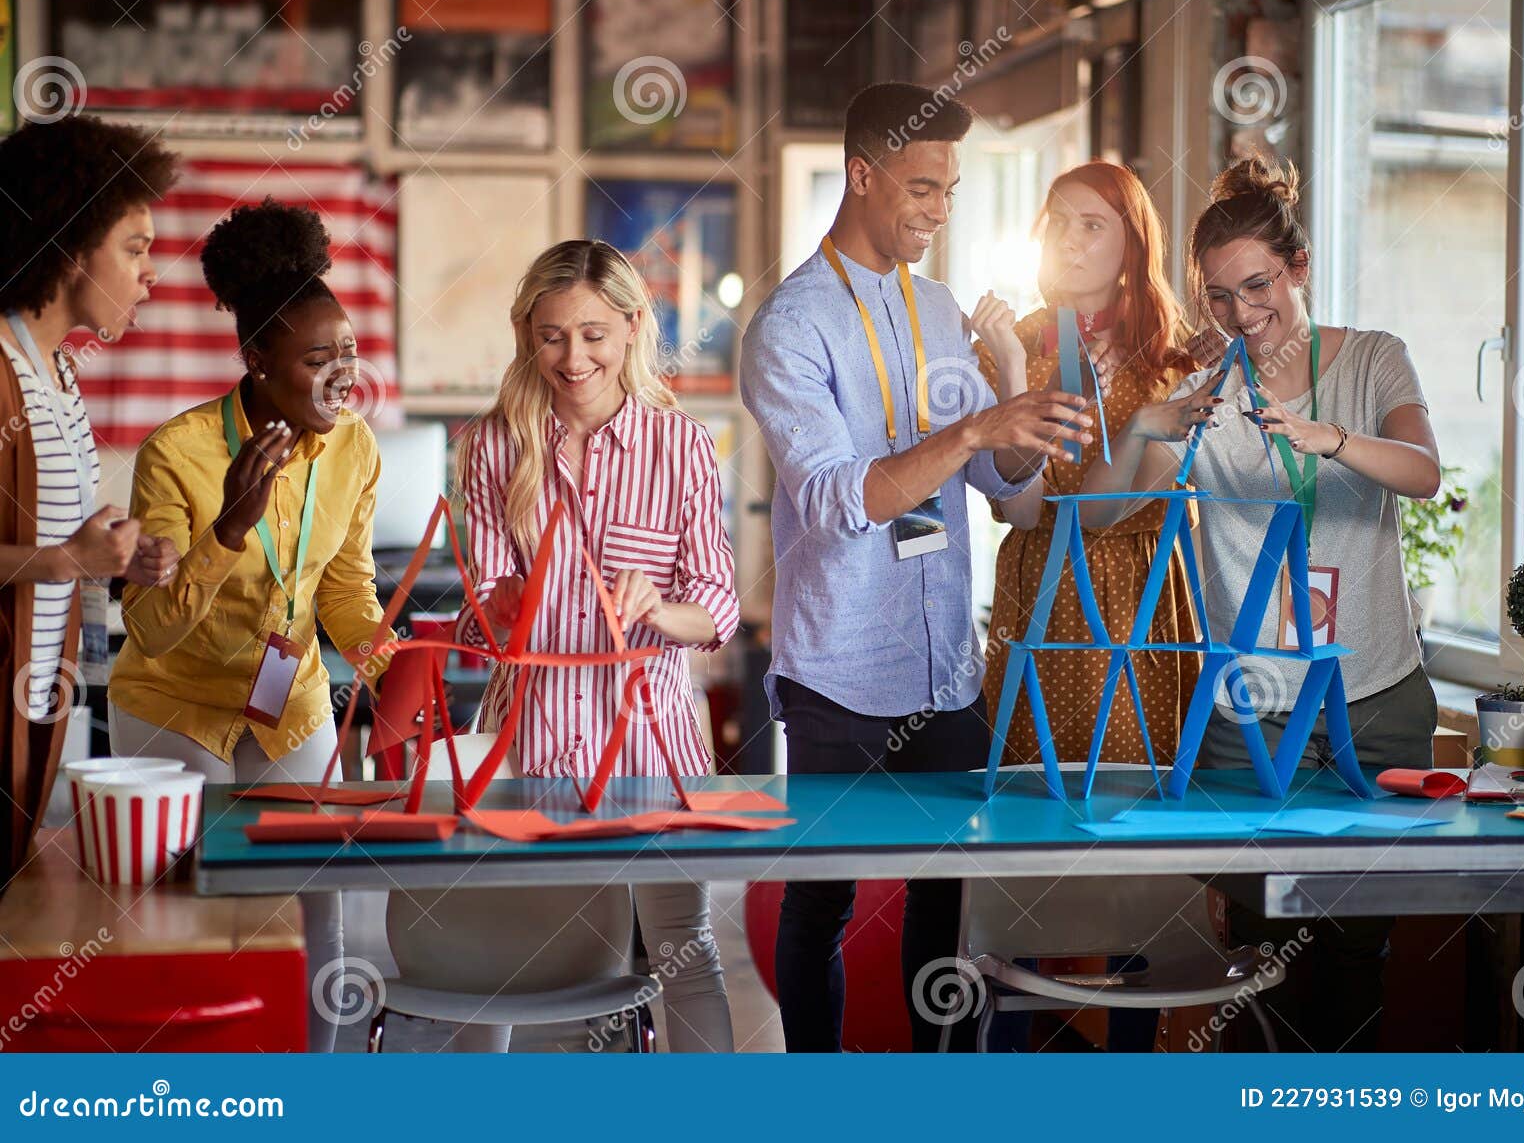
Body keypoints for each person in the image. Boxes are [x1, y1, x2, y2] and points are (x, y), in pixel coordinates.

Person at [740, 81, 1095, 1053]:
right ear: (861, 176)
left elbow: (996, 481)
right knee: (820, 905)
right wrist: (978, 421)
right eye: (923, 188)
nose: (941, 210)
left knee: (947, 907)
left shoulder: (940, 311)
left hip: (946, 665)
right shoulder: (788, 325)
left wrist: (1020, 411)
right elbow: (835, 497)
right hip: (839, 670)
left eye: (950, 190)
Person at [1080, 156, 1441, 1051]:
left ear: (1301, 266)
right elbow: (1095, 518)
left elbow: (1424, 472)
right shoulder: (1206, 403)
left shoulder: (1372, 359)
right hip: (1255, 710)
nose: (1243, 314)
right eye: (1219, 296)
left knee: (1359, 948)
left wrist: (1334, 440)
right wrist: (1138, 431)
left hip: (1378, 699)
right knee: (1258, 958)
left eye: (1260, 285)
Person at [109, 199, 394, 1053]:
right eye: (318, 359)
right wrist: (229, 527)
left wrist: (388, 663)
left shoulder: (355, 449)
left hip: (290, 703)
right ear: (256, 359)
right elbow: (152, 626)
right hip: (177, 704)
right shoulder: (179, 452)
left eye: (348, 353)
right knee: (183, 919)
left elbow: (346, 591)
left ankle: (317, 1097)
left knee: (322, 927)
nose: (344, 376)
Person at [456, 239, 739, 1053]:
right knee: (507, 964)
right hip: (527, 747)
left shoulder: (680, 445)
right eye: (551, 336)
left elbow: (715, 603)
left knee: (685, 955)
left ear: (631, 328)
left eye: (592, 334)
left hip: (653, 745)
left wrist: (660, 606)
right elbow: (480, 623)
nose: (572, 358)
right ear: (528, 335)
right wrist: (500, 607)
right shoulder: (491, 446)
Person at [0, 114, 181, 886]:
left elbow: (51, 548)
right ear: (71, 246)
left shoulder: (60, 375)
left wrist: (111, 560)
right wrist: (71, 556)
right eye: (134, 249)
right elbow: (50, 556)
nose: (151, 274)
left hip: (42, 709)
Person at [975, 160, 1200, 770]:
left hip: (1145, 592)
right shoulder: (1003, 351)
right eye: (1059, 224)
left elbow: (1145, 507)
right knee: (1030, 806)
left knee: (1143, 803)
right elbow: (1018, 512)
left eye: (1093, 225)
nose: (1069, 239)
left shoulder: (1173, 362)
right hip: (1042, 583)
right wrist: (1020, 381)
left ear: (1132, 244)